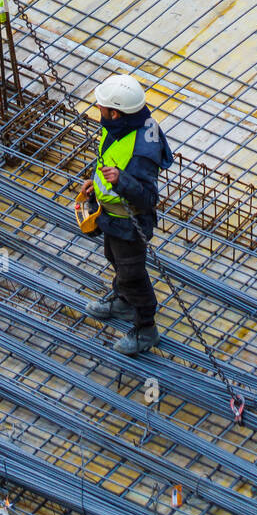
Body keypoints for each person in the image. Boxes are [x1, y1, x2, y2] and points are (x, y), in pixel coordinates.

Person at [80, 72, 173, 356]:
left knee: (132, 274)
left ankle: (146, 329)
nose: (98, 110)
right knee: (113, 258)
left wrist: (121, 180)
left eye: (102, 107)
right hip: (111, 216)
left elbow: (148, 198)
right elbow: (108, 159)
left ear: (117, 112)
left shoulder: (143, 148)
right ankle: (122, 301)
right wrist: (95, 183)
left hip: (130, 223)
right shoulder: (118, 126)